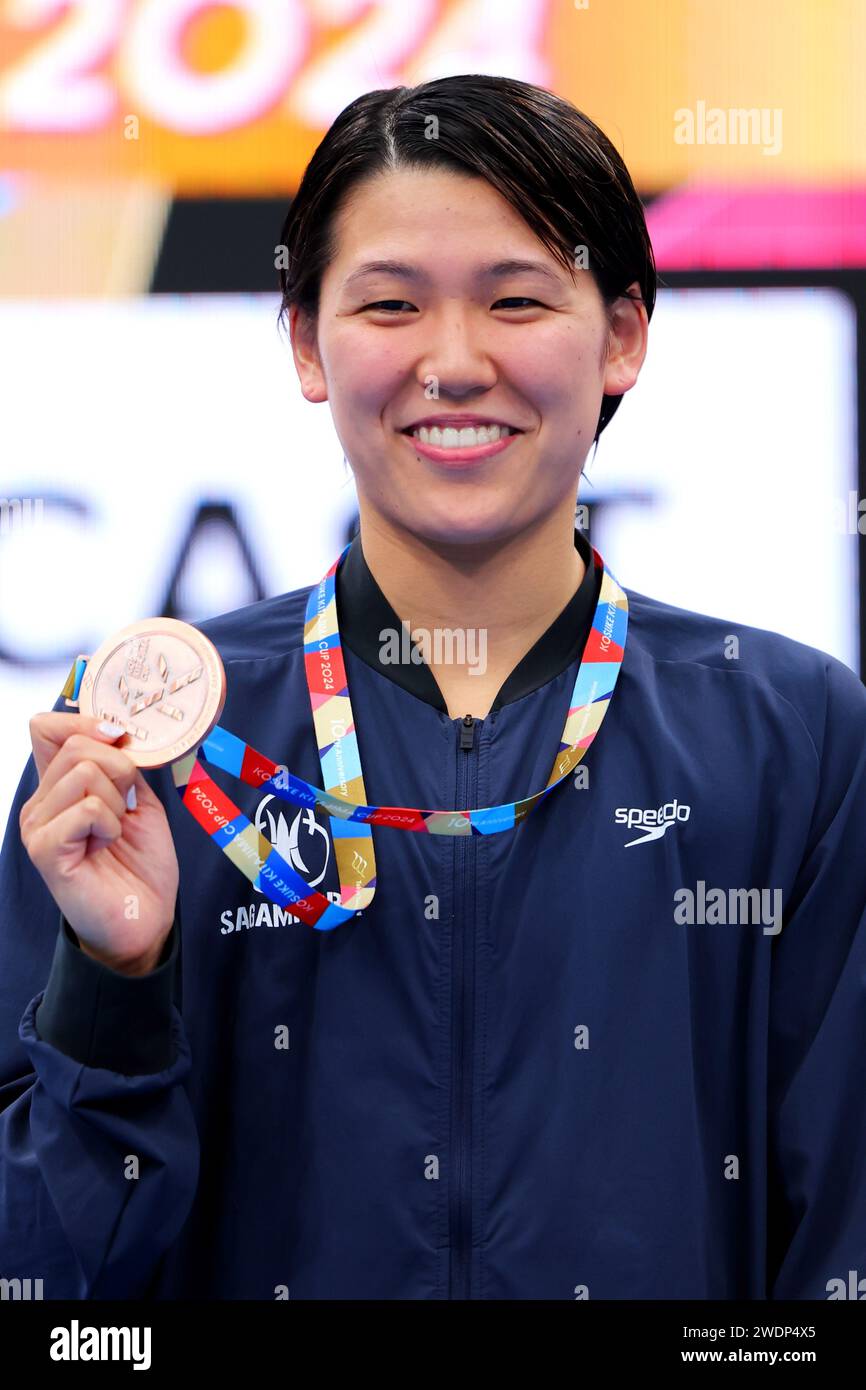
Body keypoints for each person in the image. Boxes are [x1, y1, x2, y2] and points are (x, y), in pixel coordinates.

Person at [2, 74, 865, 1301]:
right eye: (391, 304)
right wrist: (112, 985)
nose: (453, 364)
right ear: (304, 340)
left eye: (515, 300)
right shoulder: (147, 747)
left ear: (622, 333)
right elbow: (48, 1290)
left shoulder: (791, 737)